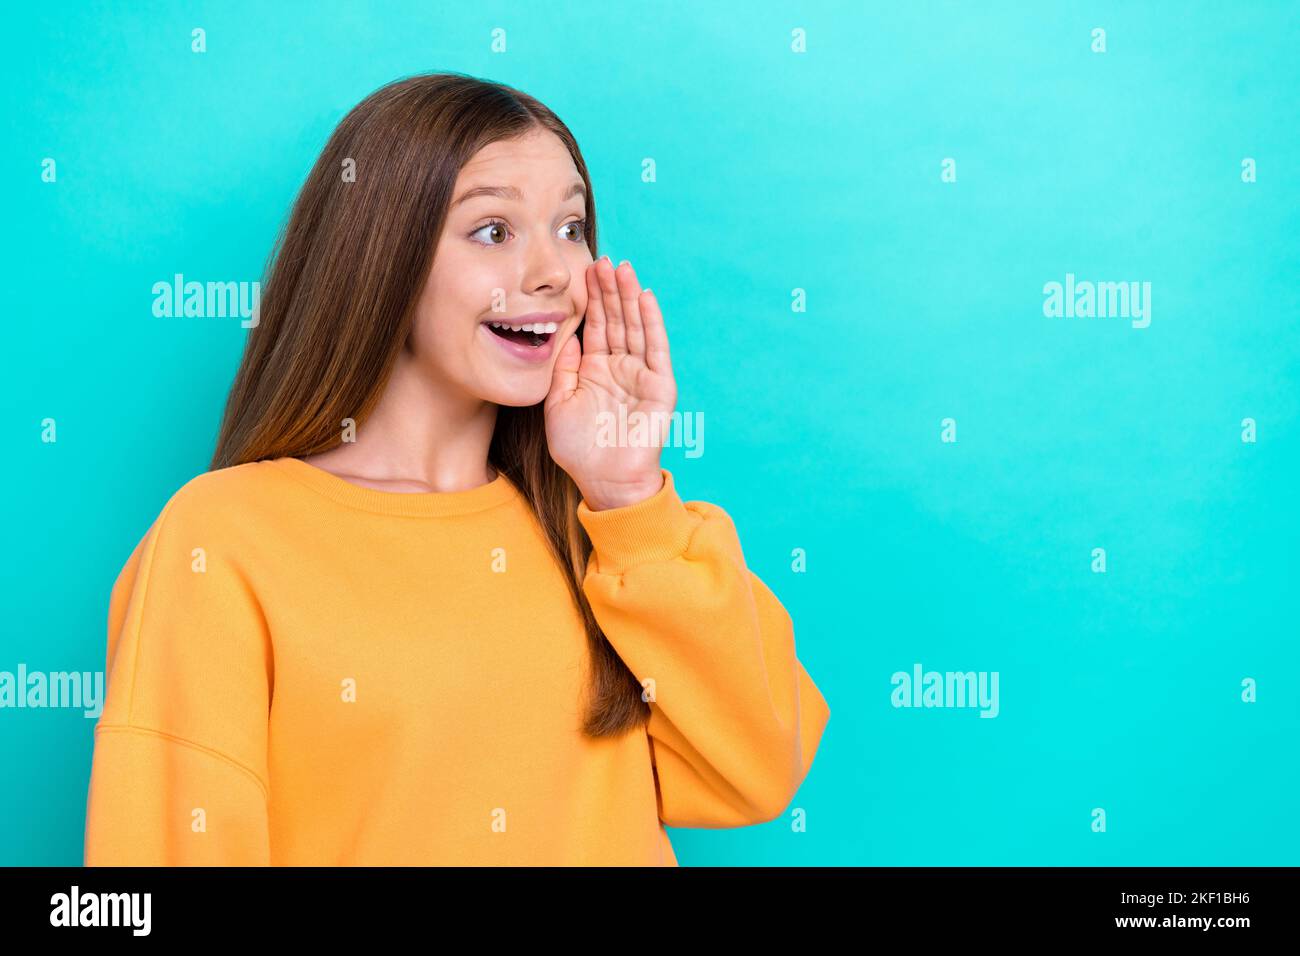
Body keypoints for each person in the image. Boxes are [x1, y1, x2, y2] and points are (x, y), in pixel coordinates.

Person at [83, 72, 830, 866]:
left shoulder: (603, 530)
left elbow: (757, 770)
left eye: (571, 226)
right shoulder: (223, 540)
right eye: (493, 231)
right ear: (382, 257)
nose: (553, 273)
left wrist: (626, 495)